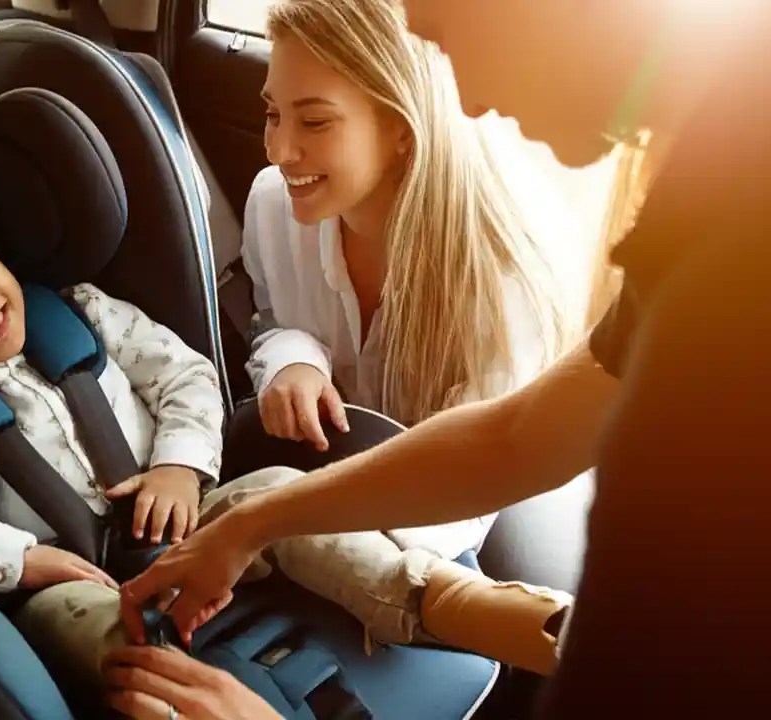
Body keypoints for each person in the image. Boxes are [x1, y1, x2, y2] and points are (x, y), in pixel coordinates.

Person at [115, 0, 771, 717]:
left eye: (451, 38)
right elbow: (512, 438)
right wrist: (250, 523)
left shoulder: (769, 229)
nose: (471, 100)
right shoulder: (712, 193)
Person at [0, 184, 573, 700]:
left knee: (281, 491)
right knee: (83, 628)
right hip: (76, 584)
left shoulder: (84, 316)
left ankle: (451, 604)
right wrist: (18, 560)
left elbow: (184, 375)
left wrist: (181, 468)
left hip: (196, 520)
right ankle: (188, 701)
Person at [240, 0, 570, 563]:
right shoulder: (273, 205)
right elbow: (269, 322)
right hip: (328, 493)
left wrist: (318, 537)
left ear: (400, 128)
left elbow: (481, 472)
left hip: (439, 528)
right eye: (273, 114)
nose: (278, 151)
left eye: (314, 121)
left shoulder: (500, 271)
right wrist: (294, 358)